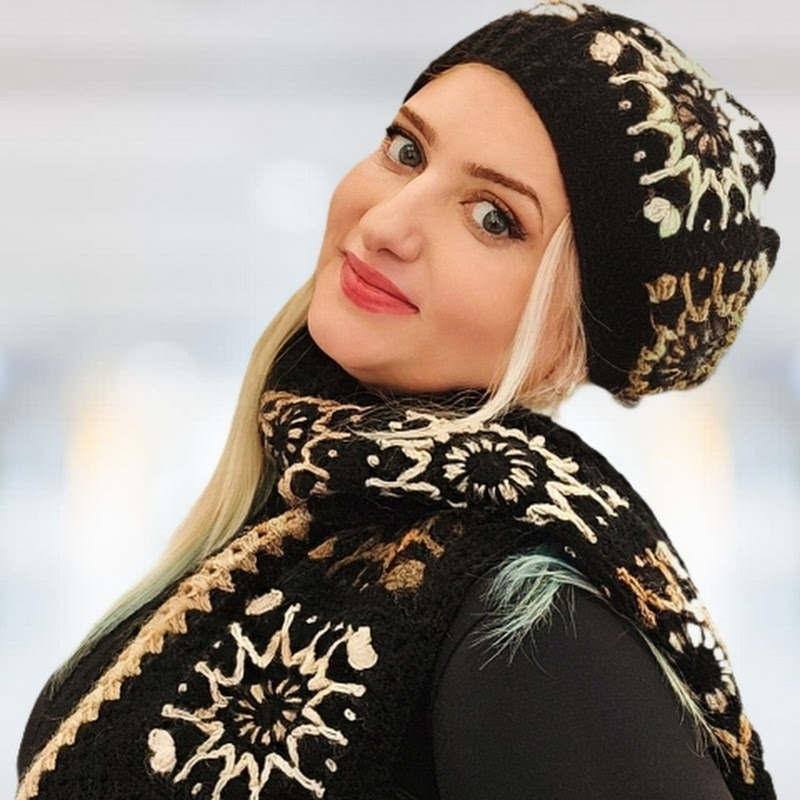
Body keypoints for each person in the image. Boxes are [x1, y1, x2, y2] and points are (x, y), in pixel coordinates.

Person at [16, 2, 780, 799]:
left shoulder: (534, 630)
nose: (387, 223)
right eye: (407, 150)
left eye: (494, 219)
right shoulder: (301, 519)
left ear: (574, 336)